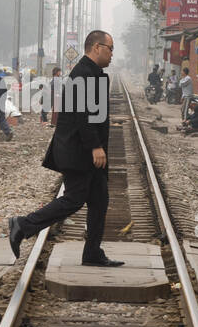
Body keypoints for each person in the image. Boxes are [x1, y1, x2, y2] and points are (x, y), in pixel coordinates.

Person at [8, 30, 121, 267]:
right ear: (96, 47)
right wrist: (95, 147)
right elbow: (83, 116)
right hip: (79, 151)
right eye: (110, 48)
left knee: (100, 201)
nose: (112, 54)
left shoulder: (96, 74)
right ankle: (23, 224)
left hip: (89, 152)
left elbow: (96, 115)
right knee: (73, 199)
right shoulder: (82, 74)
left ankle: (92, 253)